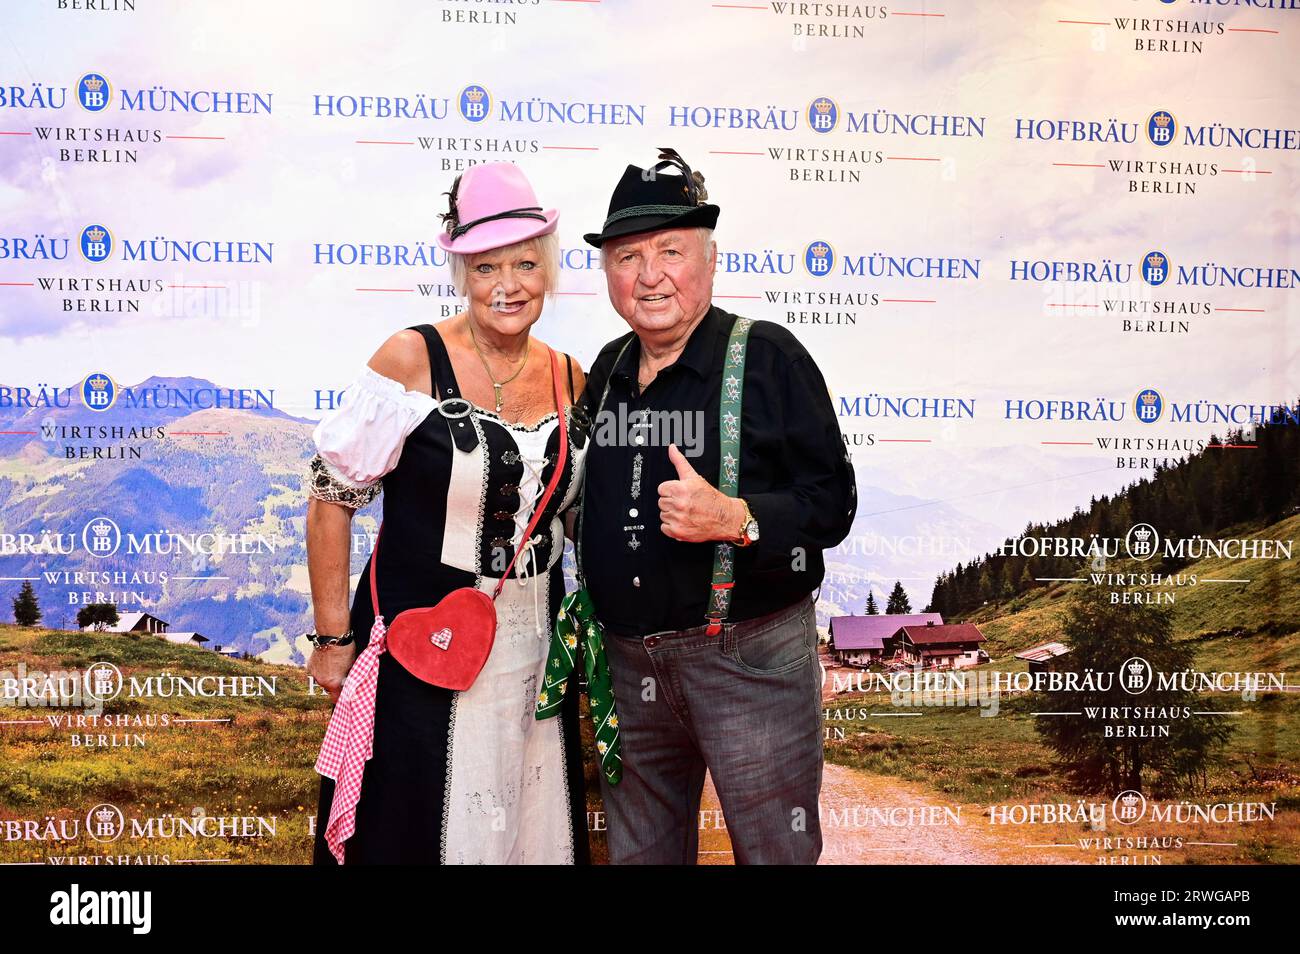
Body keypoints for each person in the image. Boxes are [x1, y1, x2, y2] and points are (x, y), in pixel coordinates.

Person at [303, 161, 589, 864]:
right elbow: (330, 500)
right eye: (487, 267)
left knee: (531, 832)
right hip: (420, 650)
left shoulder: (573, 376)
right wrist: (333, 638)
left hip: (537, 656)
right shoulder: (410, 359)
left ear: (547, 271)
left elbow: (578, 519)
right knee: (418, 830)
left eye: (526, 264)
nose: (509, 285)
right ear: (460, 271)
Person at [577, 149, 857, 864]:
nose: (649, 275)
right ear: (607, 271)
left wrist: (736, 518)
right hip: (630, 664)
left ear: (709, 260)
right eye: (627, 256)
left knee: (773, 855)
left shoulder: (769, 358)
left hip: (747, 660)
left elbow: (832, 504)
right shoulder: (606, 370)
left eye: (671, 251)